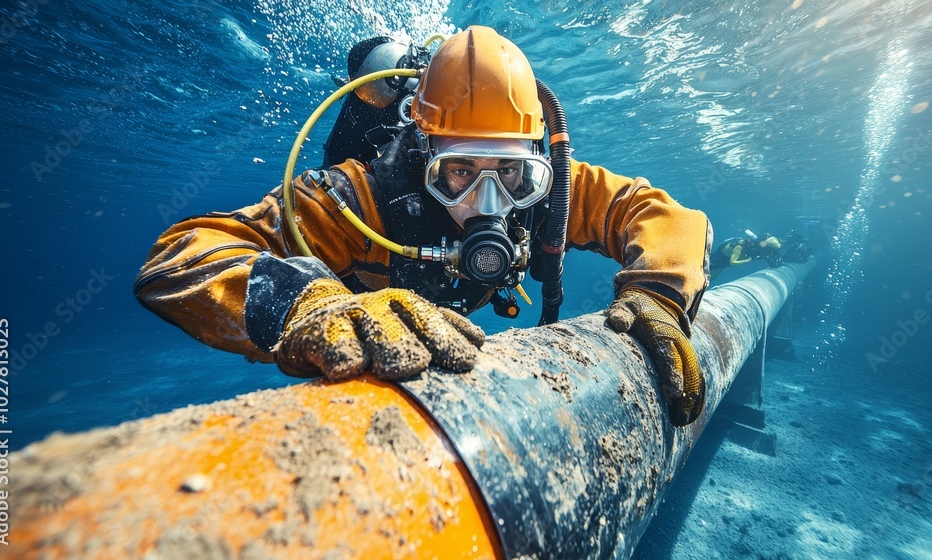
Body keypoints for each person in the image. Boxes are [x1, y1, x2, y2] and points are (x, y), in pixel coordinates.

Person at [133, 26, 713, 426]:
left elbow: (667, 218)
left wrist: (659, 295)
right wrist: (307, 305)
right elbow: (180, 256)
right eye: (458, 171)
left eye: (512, 175)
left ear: (538, 160)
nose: (487, 201)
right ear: (422, 149)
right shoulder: (355, 199)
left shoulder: (554, 191)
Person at [709, 230, 782, 279]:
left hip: (725, 259)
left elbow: (766, 254)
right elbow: (733, 262)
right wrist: (751, 260)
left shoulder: (760, 244)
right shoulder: (739, 247)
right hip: (720, 258)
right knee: (710, 275)